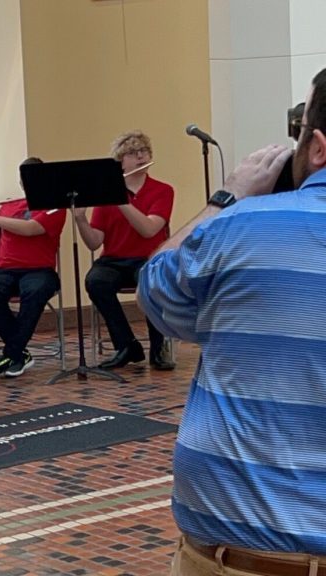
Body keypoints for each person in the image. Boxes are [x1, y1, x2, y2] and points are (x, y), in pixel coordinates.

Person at [138, 69, 326, 574]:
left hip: (239, 561)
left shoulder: (240, 227)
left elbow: (157, 291)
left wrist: (228, 199)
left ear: (317, 147)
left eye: (300, 127)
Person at [73, 130, 175, 371]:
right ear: (121, 161)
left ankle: (158, 347)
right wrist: (80, 220)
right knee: (96, 281)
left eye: (144, 151)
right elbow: (94, 242)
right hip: (114, 260)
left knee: (149, 280)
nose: (140, 156)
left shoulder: (163, 190)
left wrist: (121, 200)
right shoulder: (104, 195)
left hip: (148, 258)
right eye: (132, 152)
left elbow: (149, 229)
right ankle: (126, 345)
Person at [0, 157, 67, 379]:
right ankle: (18, 354)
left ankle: (10, 353)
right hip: (5, 270)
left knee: (35, 291)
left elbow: (31, 228)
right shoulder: (11, 204)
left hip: (40, 269)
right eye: (25, 180)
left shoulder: (55, 205)